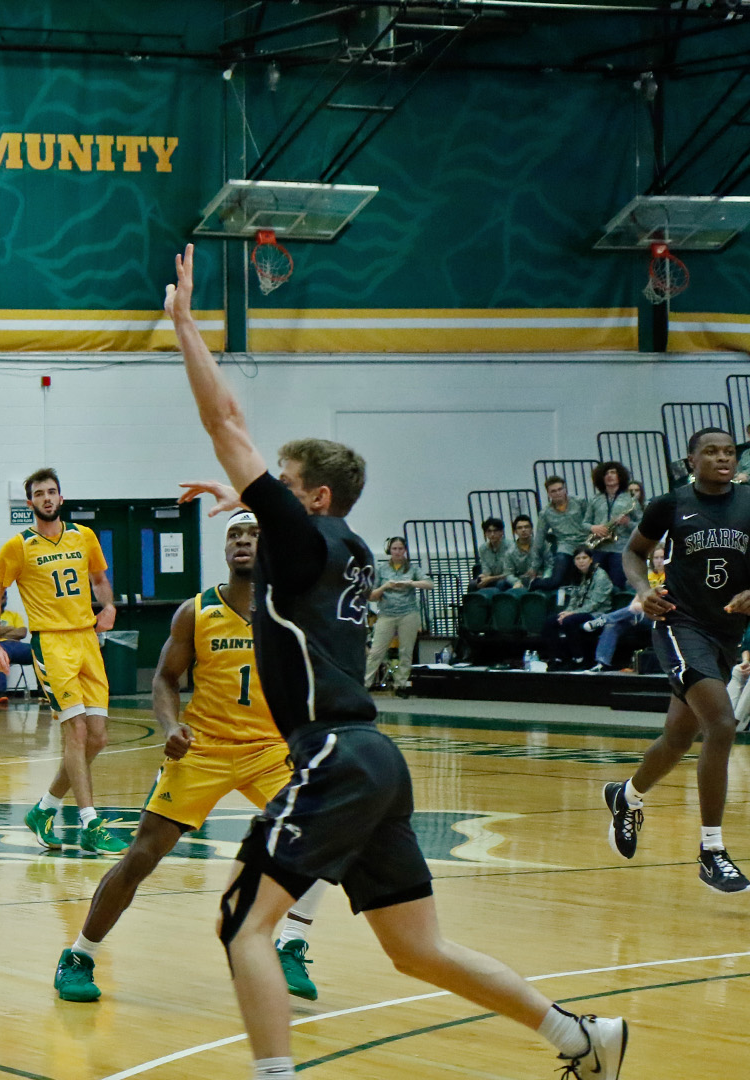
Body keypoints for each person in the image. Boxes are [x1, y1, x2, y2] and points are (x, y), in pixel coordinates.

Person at [165, 243, 626, 1080]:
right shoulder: (346, 544)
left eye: (283, 482)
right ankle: (579, 1037)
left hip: (335, 753)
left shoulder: (304, 538)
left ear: (314, 497)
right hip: (377, 759)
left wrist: (187, 326)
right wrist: (258, 504)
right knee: (419, 950)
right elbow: (290, 520)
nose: (265, 483)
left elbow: (226, 421)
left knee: (243, 922)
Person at [52, 511, 330, 1006]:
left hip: (269, 751)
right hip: (203, 749)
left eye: (253, 534)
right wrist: (169, 724)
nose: (243, 541)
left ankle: (291, 943)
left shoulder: (289, 613)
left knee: (320, 830)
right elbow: (164, 677)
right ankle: (78, 954)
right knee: (141, 855)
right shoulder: (195, 612)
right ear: (225, 550)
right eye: (234, 536)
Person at [605, 427, 750, 895]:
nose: (722, 458)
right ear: (692, 460)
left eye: (728, 452)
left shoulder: (749, 501)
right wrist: (644, 590)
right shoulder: (671, 503)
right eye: (711, 452)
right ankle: (712, 850)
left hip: (725, 633)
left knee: (677, 737)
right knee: (722, 724)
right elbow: (633, 552)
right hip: (678, 622)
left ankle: (626, 796)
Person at [0, 468, 120, 853]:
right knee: (75, 732)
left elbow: (99, 579)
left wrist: (108, 605)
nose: (47, 498)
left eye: (52, 492)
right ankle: (90, 823)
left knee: (98, 738)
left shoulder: (84, 536)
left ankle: (44, 809)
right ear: (30, 502)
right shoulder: (18, 547)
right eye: (39, 493)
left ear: (61, 498)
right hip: (52, 645)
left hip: (88, 642)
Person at [364, 536, 433, 694]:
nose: (397, 552)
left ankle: (401, 684)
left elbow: (429, 584)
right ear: (390, 550)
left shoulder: (413, 568)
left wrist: (410, 583)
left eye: (400, 549)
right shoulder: (381, 569)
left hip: (408, 614)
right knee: (376, 651)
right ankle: (365, 683)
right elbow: (371, 596)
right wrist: (385, 586)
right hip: (387, 614)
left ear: (405, 550)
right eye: (394, 549)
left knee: (405, 650)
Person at [585, 544, 667, 672]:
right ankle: (601, 663)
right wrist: (630, 611)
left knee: (634, 611)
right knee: (613, 625)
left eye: (662, 557)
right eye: (656, 558)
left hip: (659, 616)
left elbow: (660, 602)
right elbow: (637, 599)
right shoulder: (649, 576)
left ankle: (605, 618)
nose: (659, 561)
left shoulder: (670, 576)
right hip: (640, 614)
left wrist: (636, 608)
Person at [538, 546, 613, 669]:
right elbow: (574, 599)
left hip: (598, 614)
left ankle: (579, 659)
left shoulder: (601, 576)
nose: (581, 561)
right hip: (579, 612)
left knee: (569, 621)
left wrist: (571, 614)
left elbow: (594, 604)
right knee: (550, 621)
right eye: (578, 558)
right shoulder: (578, 576)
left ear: (591, 560)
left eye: (584, 558)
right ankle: (557, 658)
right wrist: (567, 611)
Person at [585, 461, 639, 584]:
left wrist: (628, 522)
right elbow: (584, 523)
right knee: (596, 583)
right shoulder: (594, 499)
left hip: (620, 549)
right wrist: (594, 528)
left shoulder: (630, 500)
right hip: (599, 548)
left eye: (613, 472)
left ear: (620, 476)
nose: (609, 476)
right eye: (606, 473)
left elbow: (642, 525)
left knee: (617, 582)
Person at [534, 476, 591, 589]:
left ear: (565, 489)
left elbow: (592, 520)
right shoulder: (545, 513)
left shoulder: (580, 502)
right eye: (553, 491)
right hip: (566, 546)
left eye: (560, 489)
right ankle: (534, 584)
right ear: (549, 494)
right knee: (556, 580)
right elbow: (539, 538)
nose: (558, 493)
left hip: (586, 542)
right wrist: (535, 565)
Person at [0, 606, 33, 704]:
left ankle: (44, 692)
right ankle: (0, 694)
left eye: (4, 597)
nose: (2, 600)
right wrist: (11, 629)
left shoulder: (14, 614)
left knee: (37, 651)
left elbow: (22, 633)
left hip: (16, 645)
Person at [504, 513, 549, 590]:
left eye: (526, 527)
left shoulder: (542, 545)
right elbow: (508, 573)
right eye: (520, 528)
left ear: (531, 529)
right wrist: (516, 582)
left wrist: (545, 577)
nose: (523, 530)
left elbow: (549, 565)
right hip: (521, 582)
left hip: (541, 581)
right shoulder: (510, 551)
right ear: (515, 531)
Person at [472, 517, 515, 592]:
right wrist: (483, 576)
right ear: (485, 533)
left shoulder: (510, 546)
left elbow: (509, 573)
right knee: (474, 584)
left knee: (501, 584)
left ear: (502, 532)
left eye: (495, 531)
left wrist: (490, 579)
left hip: (509, 579)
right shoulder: (483, 548)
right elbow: (486, 570)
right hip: (492, 579)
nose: (492, 534)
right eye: (489, 531)